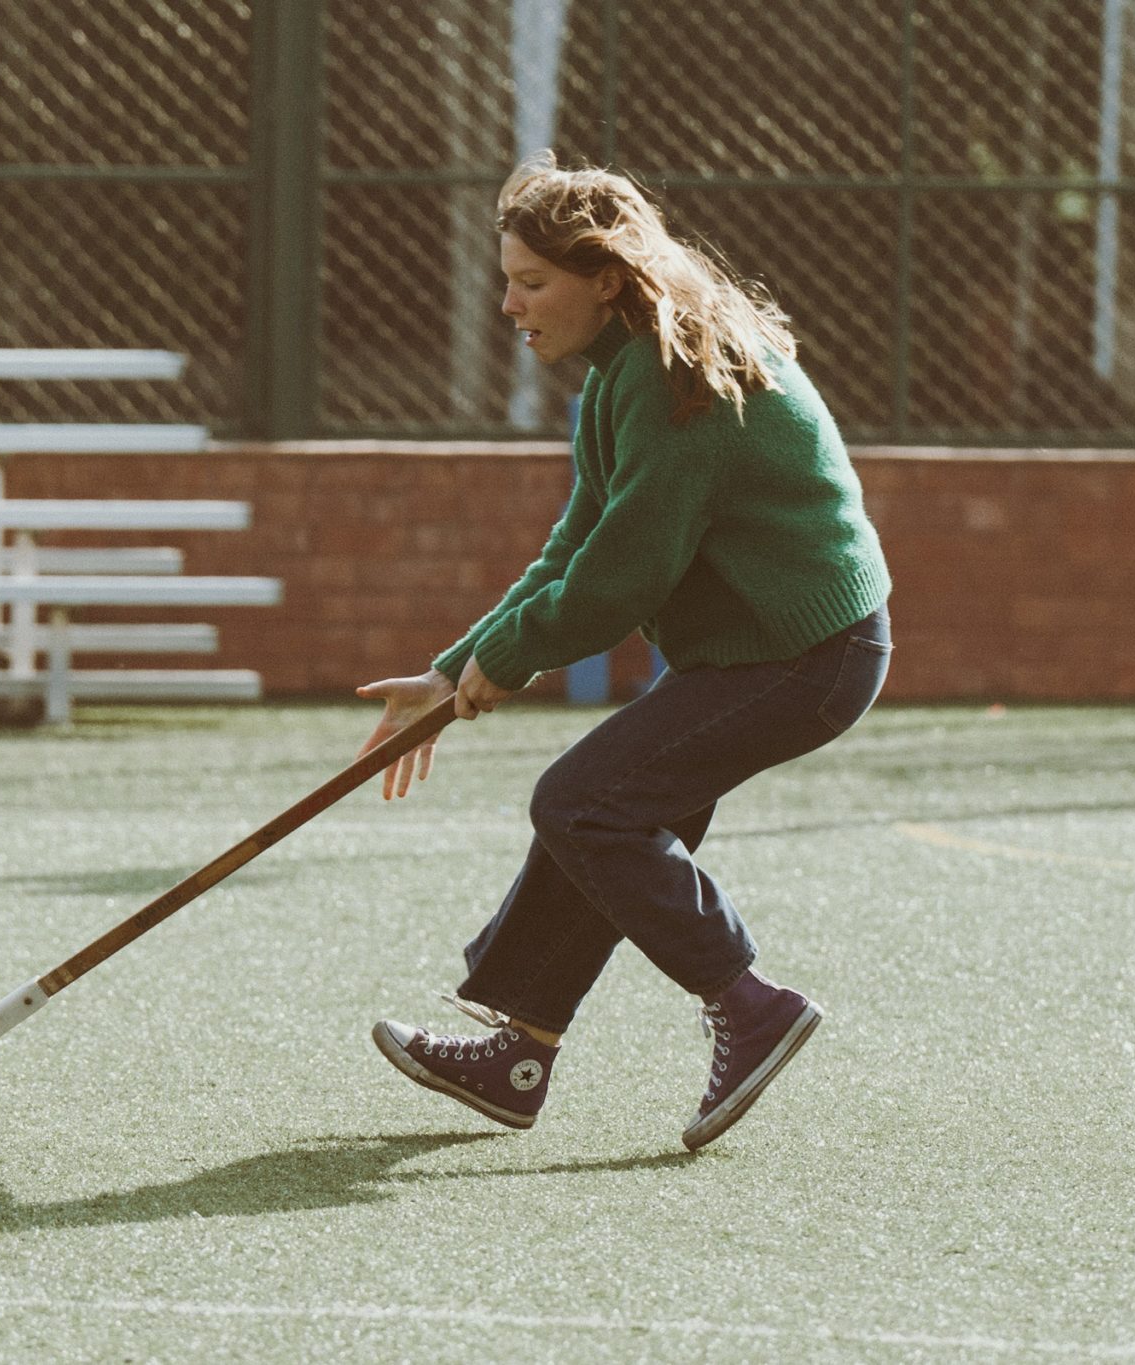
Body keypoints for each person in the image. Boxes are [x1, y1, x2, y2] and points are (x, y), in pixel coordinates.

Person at [356, 153, 892, 1152]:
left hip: (804, 653)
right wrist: (454, 668)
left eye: (531, 281)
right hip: (752, 652)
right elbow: (578, 543)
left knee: (582, 802)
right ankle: (520, 1056)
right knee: (603, 811)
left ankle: (749, 1005)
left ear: (604, 279)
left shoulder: (669, 371)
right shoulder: (621, 370)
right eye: (506, 278)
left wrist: (502, 664)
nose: (508, 303)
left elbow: (616, 584)